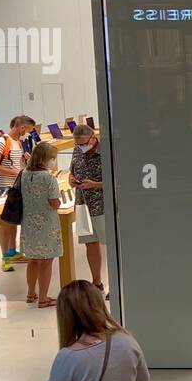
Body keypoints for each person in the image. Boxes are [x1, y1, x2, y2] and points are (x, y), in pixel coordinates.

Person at [19, 141, 64, 307]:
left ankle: (31, 293)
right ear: (46, 159)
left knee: (32, 260)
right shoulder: (48, 178)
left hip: (29, 222)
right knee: (46, 261)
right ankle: (44, 297)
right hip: (46, 223)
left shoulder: (24, 174)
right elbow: (54, 202)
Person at [0, 115, 34, 271]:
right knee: (4, 224)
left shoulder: (18, 142)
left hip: (15, 188)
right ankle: (5, 258)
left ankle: (12, 252)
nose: (29, 134)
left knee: (13, 221)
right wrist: (14, 172)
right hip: (3, 188)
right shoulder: (2, 142)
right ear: (22, 128)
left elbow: (16, 163)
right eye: (29, 130)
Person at [68, 125, 107, 296]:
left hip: (103, 204)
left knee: (110, 244)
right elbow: (71, 171)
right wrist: (71, 180)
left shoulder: (106, 151)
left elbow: (118, 179)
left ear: (93, 138)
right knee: (90, 243)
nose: (81, 146)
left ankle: (118, 282)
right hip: (83, 203)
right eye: (78, 143)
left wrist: (95, 184)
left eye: (84, 143)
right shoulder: (77, 150)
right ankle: (96, 282)